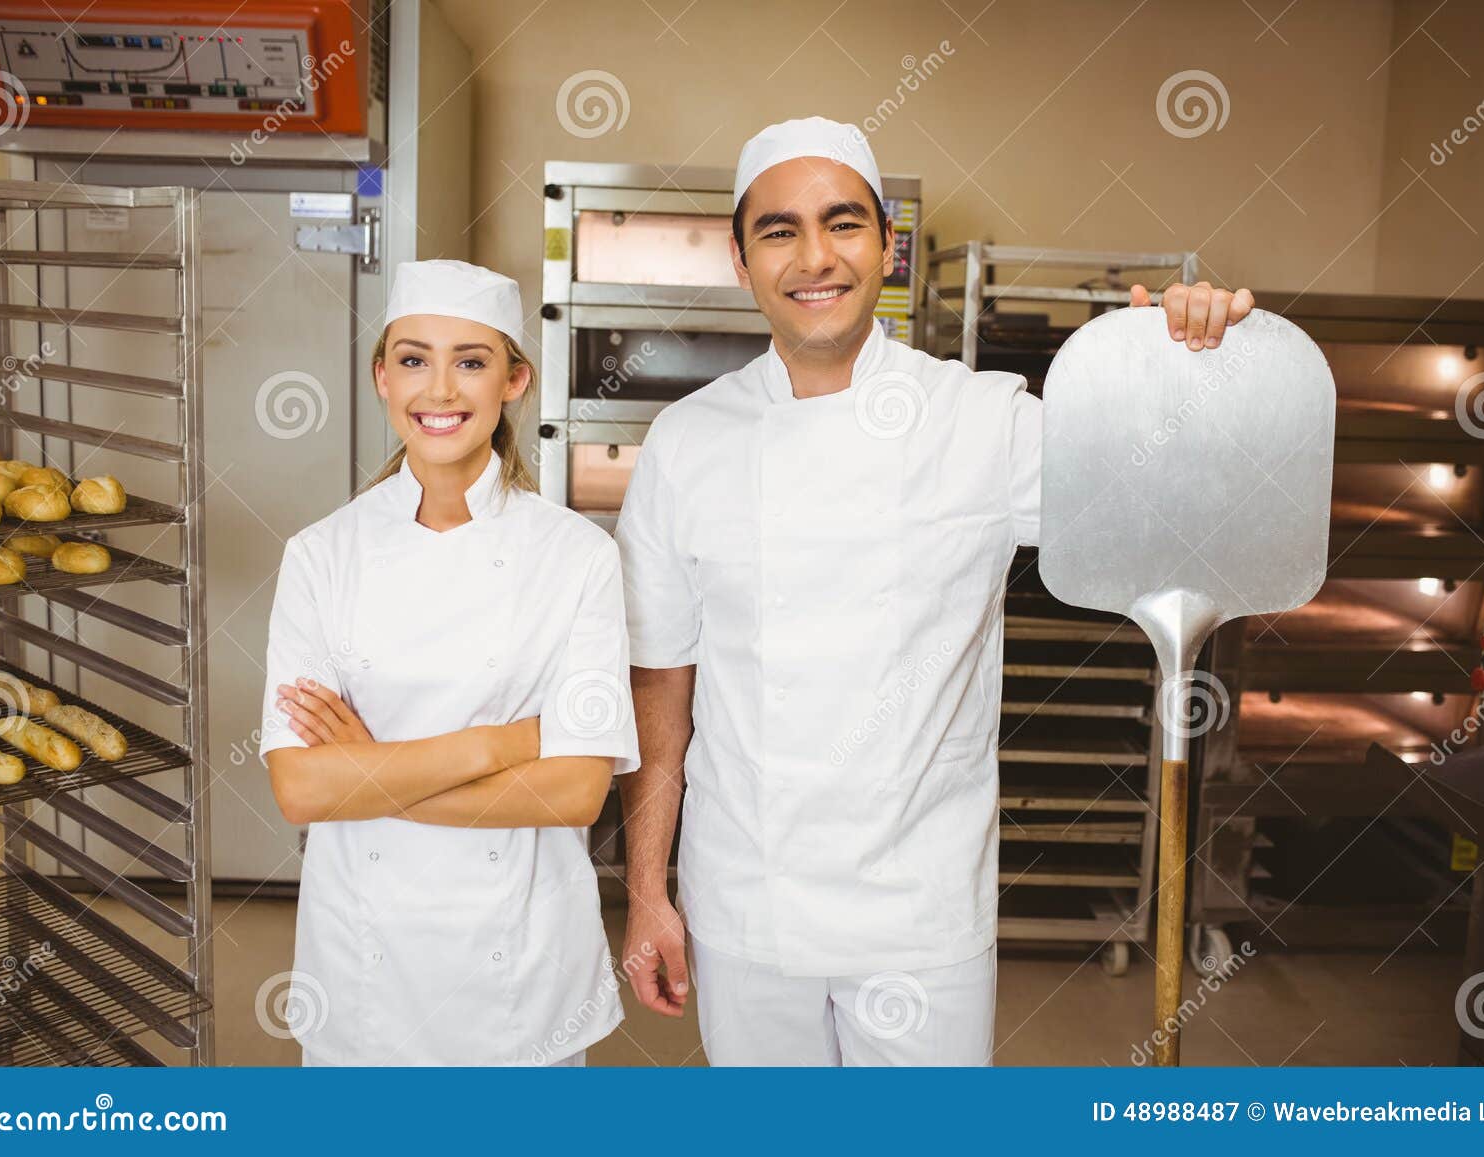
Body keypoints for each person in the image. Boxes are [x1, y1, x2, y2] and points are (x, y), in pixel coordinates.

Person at [613, 116, 1254, 1065]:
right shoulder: (685, 444)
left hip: (921, 908)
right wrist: (646, 891)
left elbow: (1176, 518)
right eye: (780, 231)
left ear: (888, 246)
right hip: (747, 898)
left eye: (843, 223)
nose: (814, 257)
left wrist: (1193, 369)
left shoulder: (984, 421)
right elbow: (660, 682)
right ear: (742, 261)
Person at [258, 259, 639, 1066]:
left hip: (524, 981)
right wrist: (503, 743)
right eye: (413, 359)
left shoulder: (577, 557)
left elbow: (576, 790)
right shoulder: (321, 556)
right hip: (363, 978)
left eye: (470, 361)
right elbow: (301, 788)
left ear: (514, 381)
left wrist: (367, 769)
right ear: (381, 378)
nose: (439, 389)